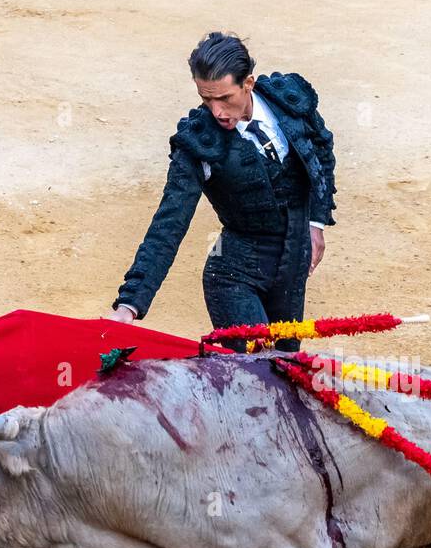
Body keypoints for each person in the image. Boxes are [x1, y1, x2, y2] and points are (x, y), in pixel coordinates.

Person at [106, 32, 337, 352]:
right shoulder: (199, 143)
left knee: (287, 367)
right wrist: (128, 304)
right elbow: (170, 222)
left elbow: (321, 149)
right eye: (206, 100)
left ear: (249, 83)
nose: (217, 111)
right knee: (258, 373)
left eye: (225, 98)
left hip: (294, 265)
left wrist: (316, 222)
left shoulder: (288, 99)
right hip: (234, 276)